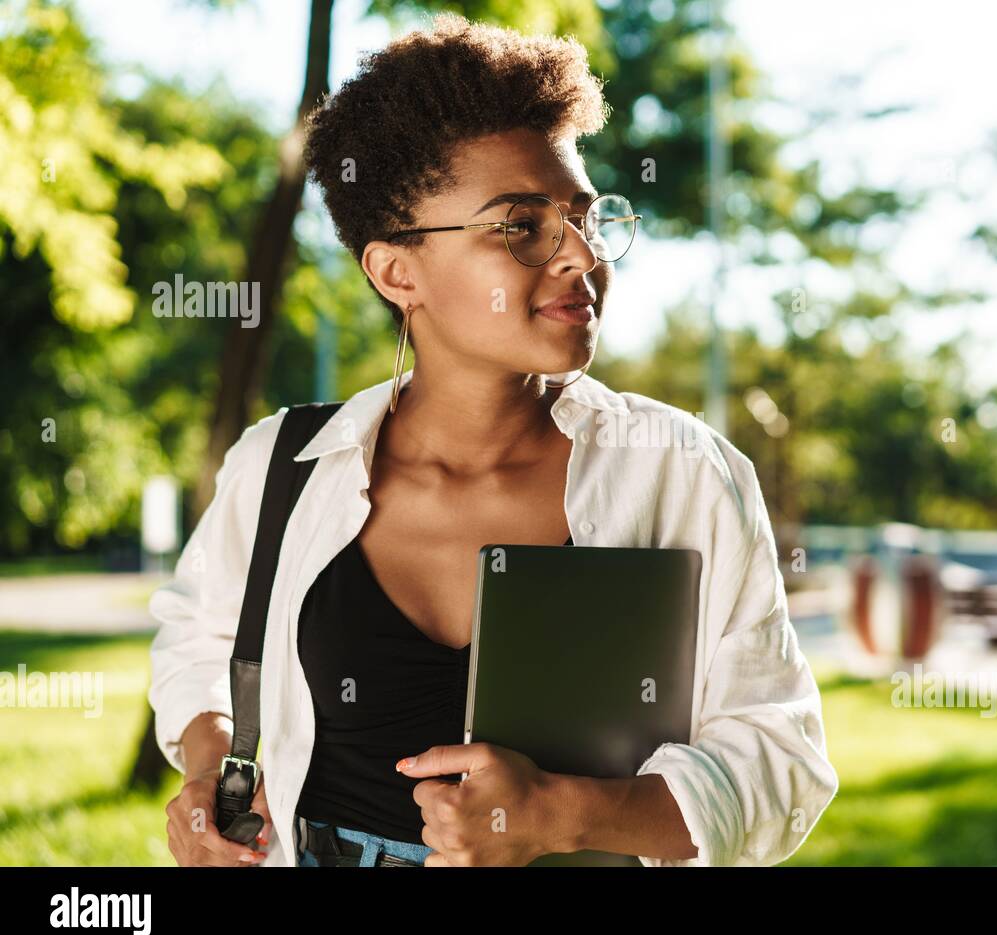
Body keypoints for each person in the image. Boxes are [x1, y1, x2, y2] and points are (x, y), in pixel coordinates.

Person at [148, 12, 837, 868]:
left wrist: (560, 814)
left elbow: (779, 760)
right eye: (523, 227)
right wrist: (213, 771)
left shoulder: (684, 474)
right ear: (397, 271)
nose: (580, 256)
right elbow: (198, 642)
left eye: (584, 217)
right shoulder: (280, 466)